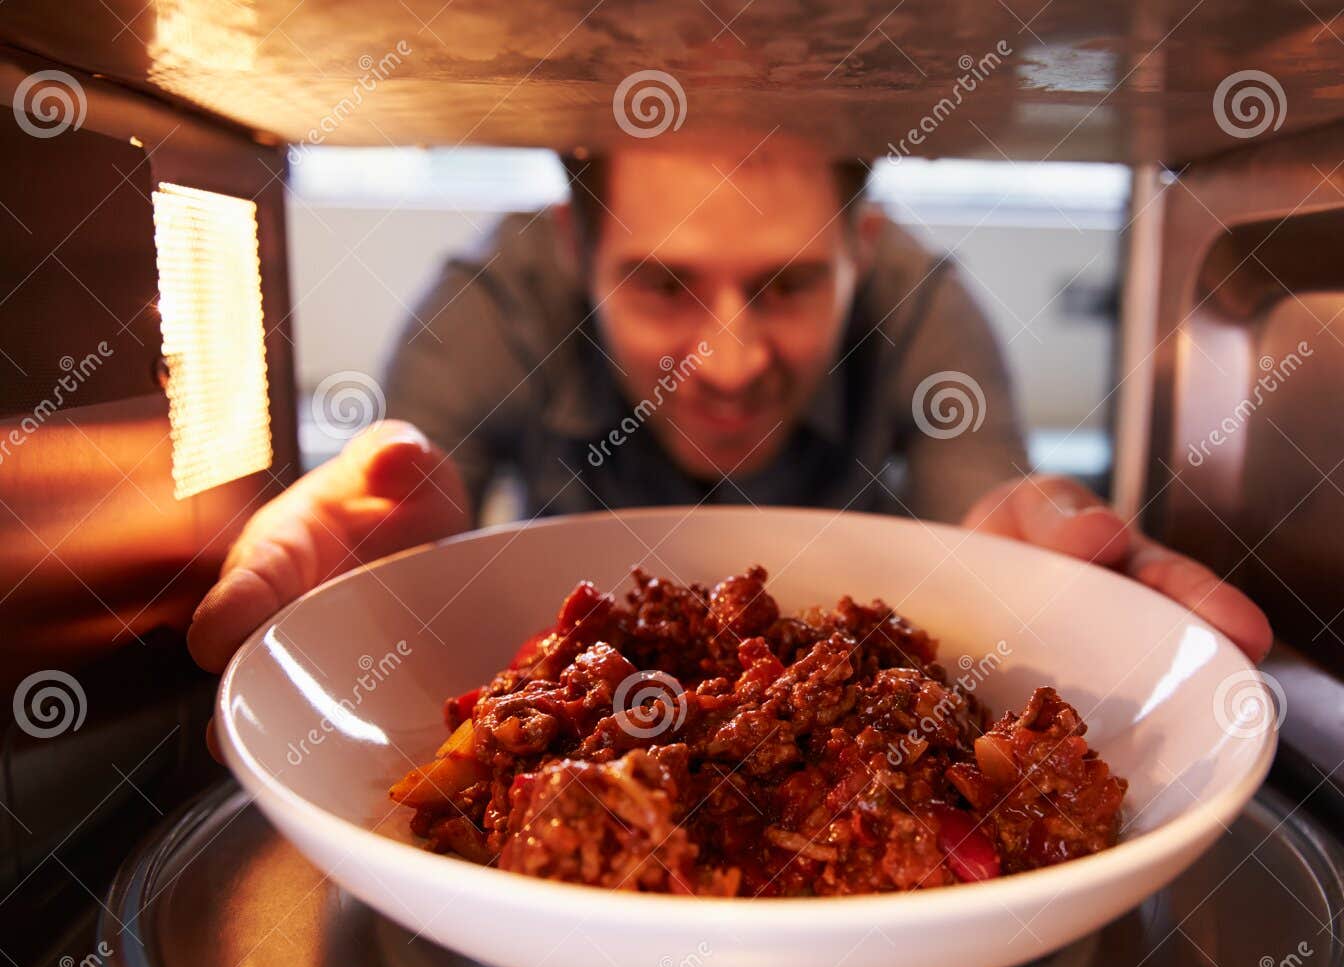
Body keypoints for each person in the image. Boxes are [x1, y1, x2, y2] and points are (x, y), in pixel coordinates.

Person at [186, 134, 1270, 672]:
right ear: (576, 251)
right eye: (662, 285)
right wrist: (392, 587)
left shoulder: (925, 308)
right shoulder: (488, 304)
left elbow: (980, 499)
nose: (730, 358)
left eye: (792, 282)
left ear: (863, 250)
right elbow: (414, 504)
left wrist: (1027, 557)